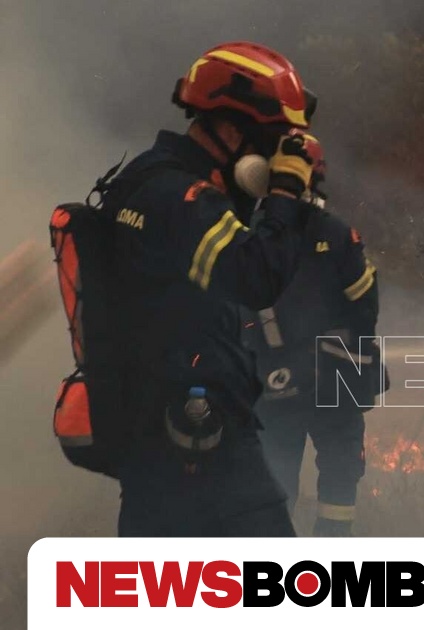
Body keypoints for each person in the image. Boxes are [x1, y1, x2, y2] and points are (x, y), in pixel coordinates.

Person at [103, 41, 323, 536]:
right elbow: (255, 277)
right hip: (200, 431)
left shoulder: (148, 179)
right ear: (229, 130)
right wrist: (286, 196)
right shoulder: (186, 199)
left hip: (156, 427)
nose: (271, 160)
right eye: (269, 146)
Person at [250, 147, 384, 537]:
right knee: (324, 482)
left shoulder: (254, 234)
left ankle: (275, 572)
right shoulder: (335, 233)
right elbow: (365, 308)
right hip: (321, 382)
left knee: (280, 484)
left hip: (283, 383)